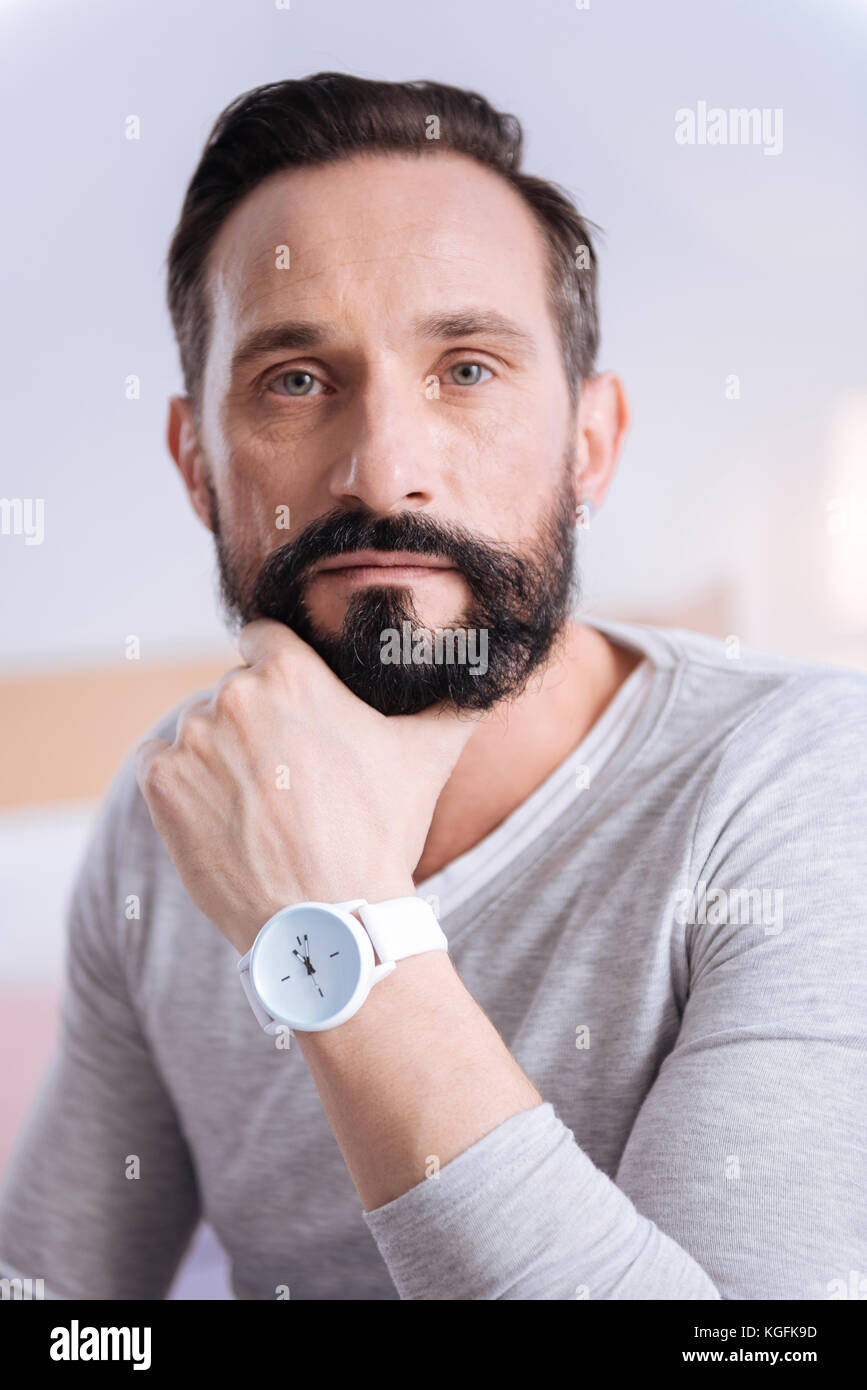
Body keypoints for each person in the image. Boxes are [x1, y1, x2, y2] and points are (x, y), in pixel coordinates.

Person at [1, 72, 864, 1301]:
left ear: (590, 450)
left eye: (466, 369)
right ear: (198, 463)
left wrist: (340, 920)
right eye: (296, 379)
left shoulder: (808, 778)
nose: (383, 469)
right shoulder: (169, 816)